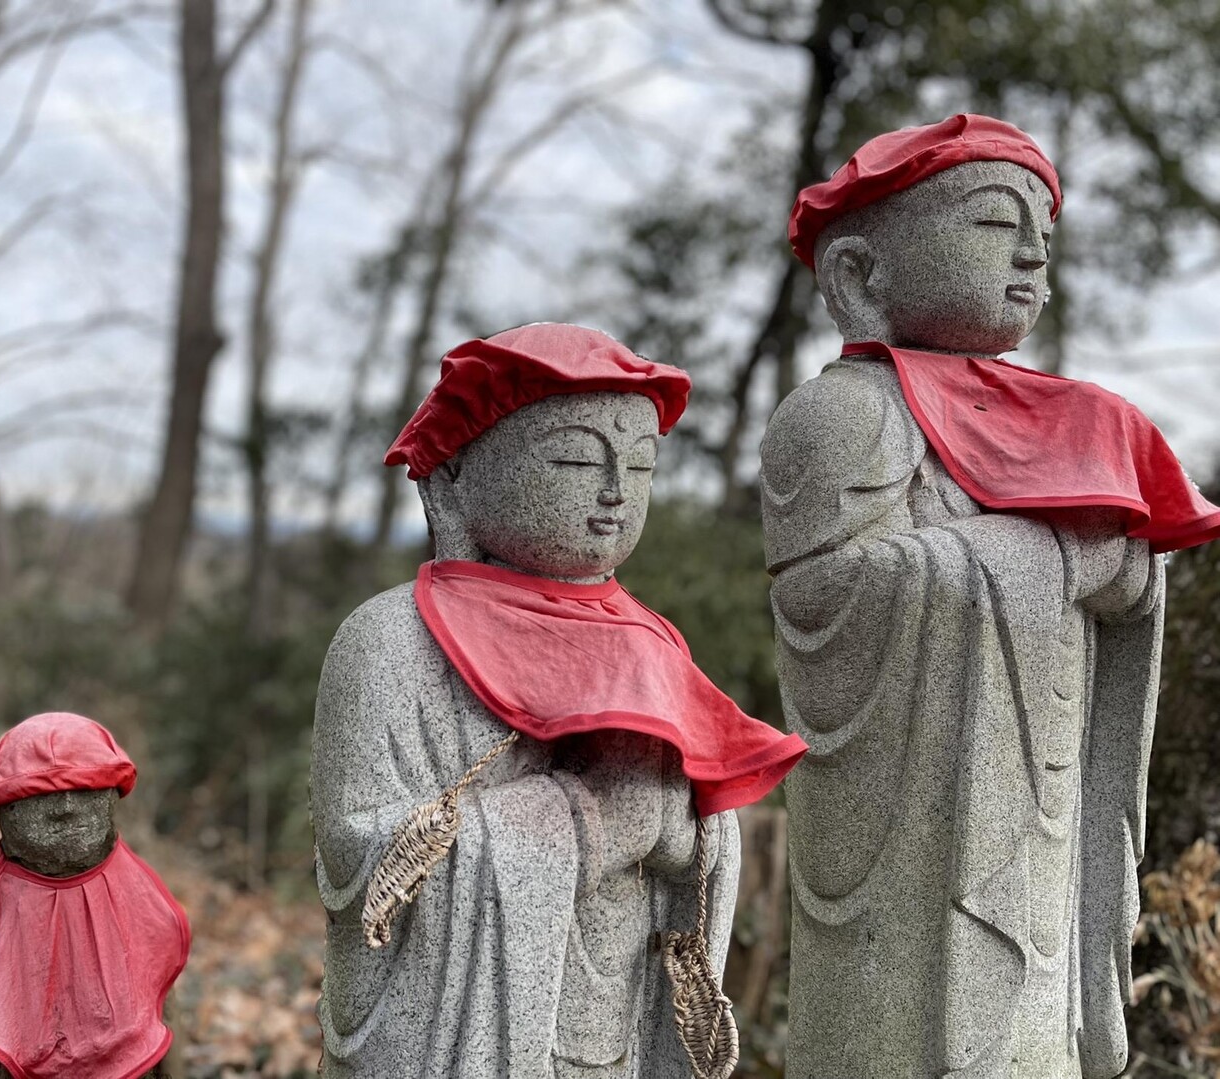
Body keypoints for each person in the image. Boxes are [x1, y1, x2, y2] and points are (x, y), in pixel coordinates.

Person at [764, 113, 1220, 1079]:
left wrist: (1123, 577)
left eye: (1042, 238)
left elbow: (1124, 571)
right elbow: (823, 599)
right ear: (859, 276)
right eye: (988, 224)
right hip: (906, 831)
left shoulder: (1057, 417)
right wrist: (1057, 560)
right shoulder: (843, 413)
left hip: (1039, 792)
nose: (1026, 254)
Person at [312, 322, 806, 1078]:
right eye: (575, 458)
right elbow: (358, 855)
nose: (613, 493)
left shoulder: (647, 639)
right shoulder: (392, 639)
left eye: (638, 466)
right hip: (455, 1030)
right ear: (452, 482)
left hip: (617, 1004)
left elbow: (694, 820)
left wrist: (691, 835)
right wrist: (587, 819)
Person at [0, 712, 190, 1079]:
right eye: (40, 795)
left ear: (110, 797)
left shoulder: (138, 901)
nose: (65, 809)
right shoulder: (8, 908)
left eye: (83, 790)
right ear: (5, 809)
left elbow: (161, 1006)